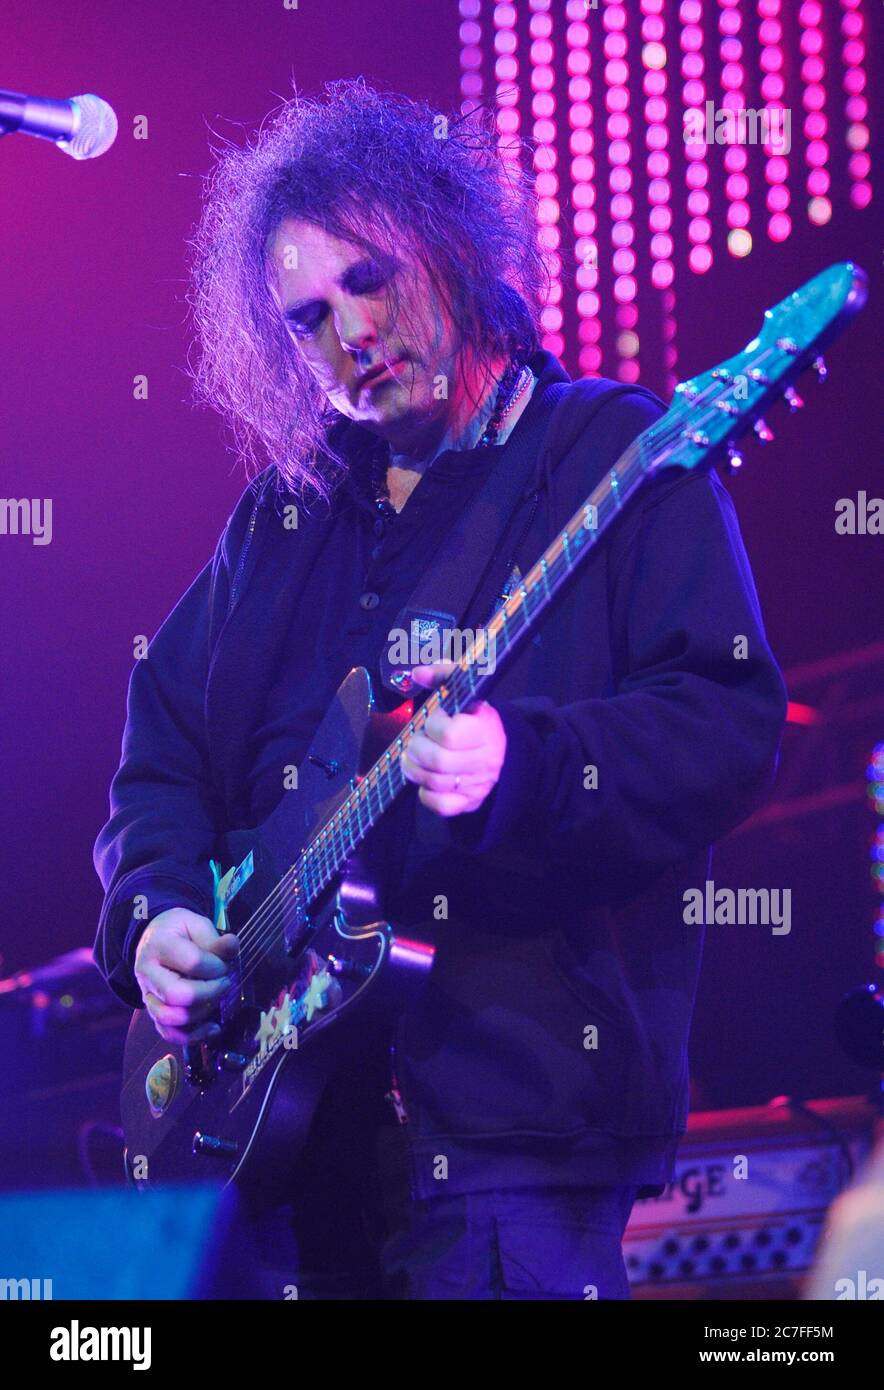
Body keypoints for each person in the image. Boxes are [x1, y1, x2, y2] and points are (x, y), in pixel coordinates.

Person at [93, 79, 787, 1299]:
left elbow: (723, 722)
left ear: (450, 248)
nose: (349, 332)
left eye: (371, 278)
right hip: (276, 1158)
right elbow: (161, 760)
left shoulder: (610, 455)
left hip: (510, 1141)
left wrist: (522, 763)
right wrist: (153, 915)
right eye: (306, 318)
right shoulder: (281, 518)